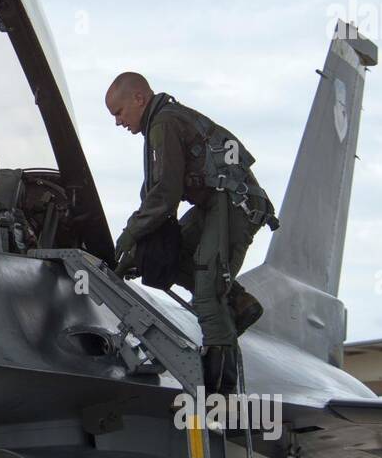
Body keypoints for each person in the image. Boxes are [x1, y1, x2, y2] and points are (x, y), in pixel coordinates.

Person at [104, 72, 278, 392]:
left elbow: (165, 194)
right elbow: (157, 191)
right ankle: (240, 304)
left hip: (232, 205)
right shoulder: (163, 122)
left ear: (139, 99)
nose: (118, 121)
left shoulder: (164, 124)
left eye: (119, 112)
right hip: (215, 204)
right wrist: (137, 251)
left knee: (209, 294)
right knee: (174, 259)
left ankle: (220, 395)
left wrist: (129, 237)